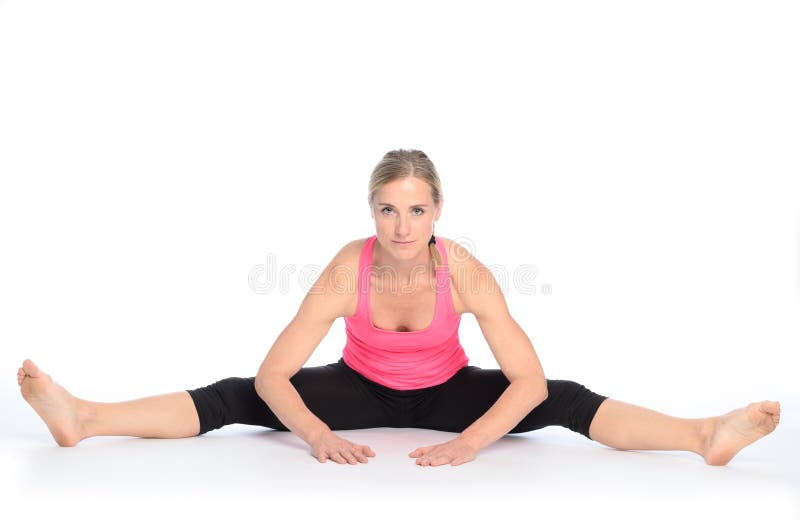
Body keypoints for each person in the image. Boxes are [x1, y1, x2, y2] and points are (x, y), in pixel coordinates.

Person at [17, 149, 780, 467]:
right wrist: (314, 432)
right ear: (372, 211)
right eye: (388, 210)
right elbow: (274, 374)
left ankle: (704, 434)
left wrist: (471, 443)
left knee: (569, 400)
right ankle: (85, 418)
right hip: (357, 387)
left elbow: (531, 384)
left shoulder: (467, 271)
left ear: (438, 209)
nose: (401, 227)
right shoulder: (346, 268)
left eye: (416, 211)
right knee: (234, 396)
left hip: (449, 393)